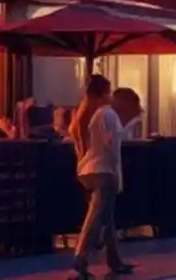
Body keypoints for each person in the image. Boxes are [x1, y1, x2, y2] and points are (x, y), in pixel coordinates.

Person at [71, 75, 136, 277]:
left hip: (88, 169)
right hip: (103, 170)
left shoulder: (87, 115)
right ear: (104, 94)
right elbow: (113, 147)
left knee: (106, 217)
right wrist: (117, 175)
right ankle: (81, 257)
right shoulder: (108, 114)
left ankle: (114, 259)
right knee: (96, 217)